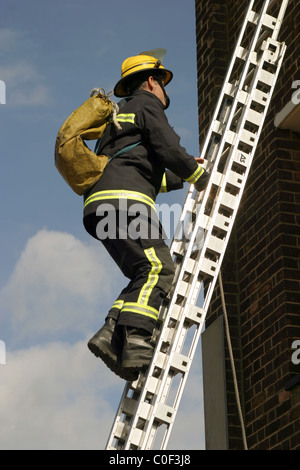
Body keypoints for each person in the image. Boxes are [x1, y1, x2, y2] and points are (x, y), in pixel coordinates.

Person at [83, 49, 209, 381]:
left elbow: (144, 171)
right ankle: (137, 339)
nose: (165, 89)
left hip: (102, 207)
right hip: (127, 203)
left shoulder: (118, 119)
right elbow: (167, 147)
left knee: (142, 271)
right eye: (163, 81)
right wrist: (201, 176)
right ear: (152, 81)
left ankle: (112, 334)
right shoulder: (146, 104)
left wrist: (182, 178)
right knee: (159, 267)